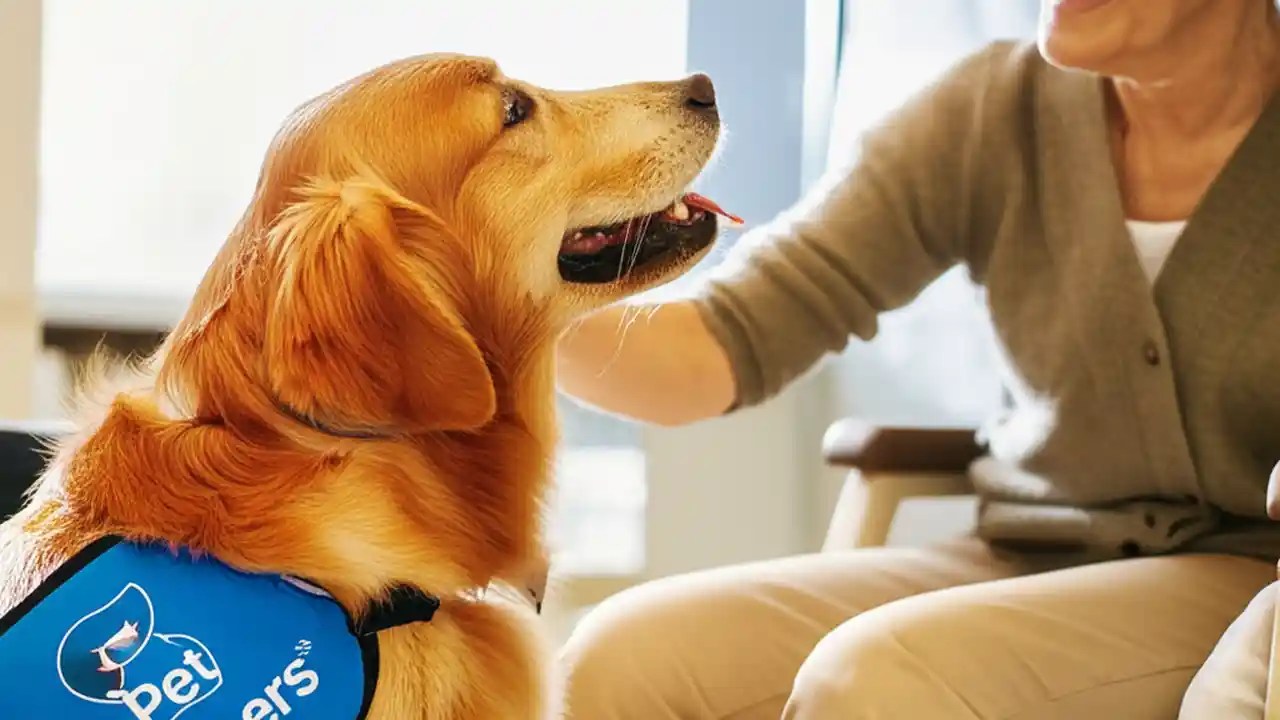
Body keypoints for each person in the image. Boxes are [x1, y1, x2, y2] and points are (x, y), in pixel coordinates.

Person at [555, 0, 1280, 718]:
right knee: (622, 658)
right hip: (1024, 552)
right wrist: (486, 298)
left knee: (871, 682)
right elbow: (716, 346)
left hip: (1251, 588)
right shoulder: (994, 109)